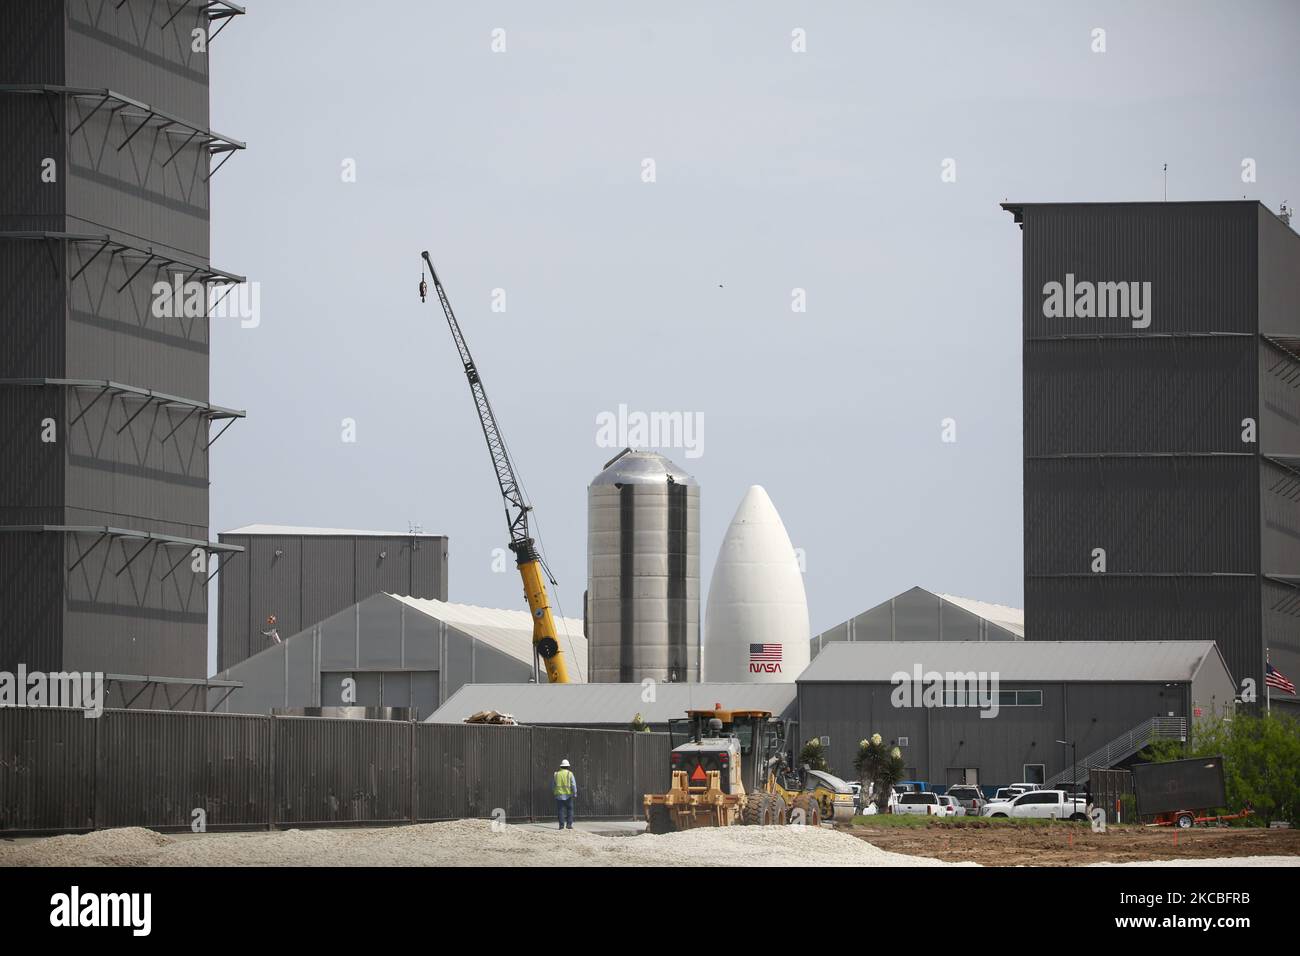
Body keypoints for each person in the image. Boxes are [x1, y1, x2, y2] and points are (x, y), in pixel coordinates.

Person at [553, 758, 578, 830]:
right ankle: (569, 825)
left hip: (559, 795)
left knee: (560, 811)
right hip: (568, 795)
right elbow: (573, 784)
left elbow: (553, 785)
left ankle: (561, 826)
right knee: (569, 809)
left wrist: (555, 792)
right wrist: (575, 792)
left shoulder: (556, 774)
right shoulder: (570, 774)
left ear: (561, 766)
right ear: (568, 766)